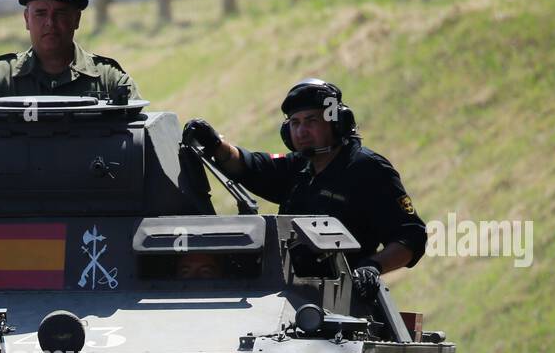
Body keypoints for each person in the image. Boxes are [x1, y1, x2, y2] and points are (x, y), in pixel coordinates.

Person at [182, 79, 426, 294]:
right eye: (295, 123)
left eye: (311, 121)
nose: (301, 131)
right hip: (285, 292)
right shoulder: (298, 167)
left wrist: (372, 267)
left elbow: (411, 236)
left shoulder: (368, 169)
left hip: (342, 298)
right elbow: (250, 167)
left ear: (337, 123)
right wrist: (215, 145)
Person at [0, 0, 139, 102]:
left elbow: (140, 132)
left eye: (60, 14)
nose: (50, 23)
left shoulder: (109, 80)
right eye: (41, 14)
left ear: (76, 20)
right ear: (26, 19)